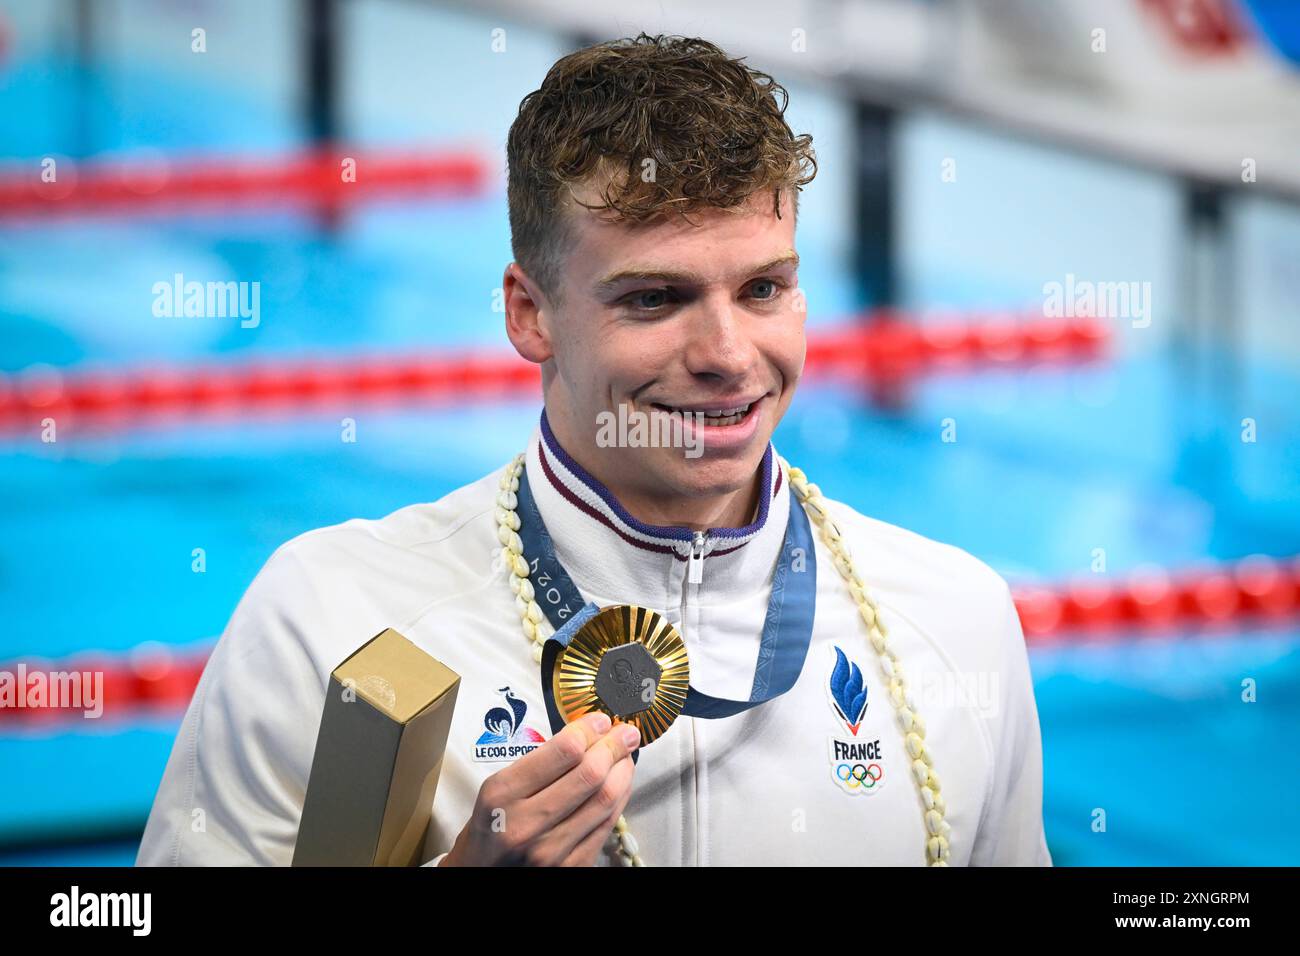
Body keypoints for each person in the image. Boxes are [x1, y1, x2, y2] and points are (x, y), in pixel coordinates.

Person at [136, 33, 1051, 867]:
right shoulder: (331, 619)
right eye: (654, 299)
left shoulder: (955, 621)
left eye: (765, 289)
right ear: (529, 313)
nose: (729, 357)